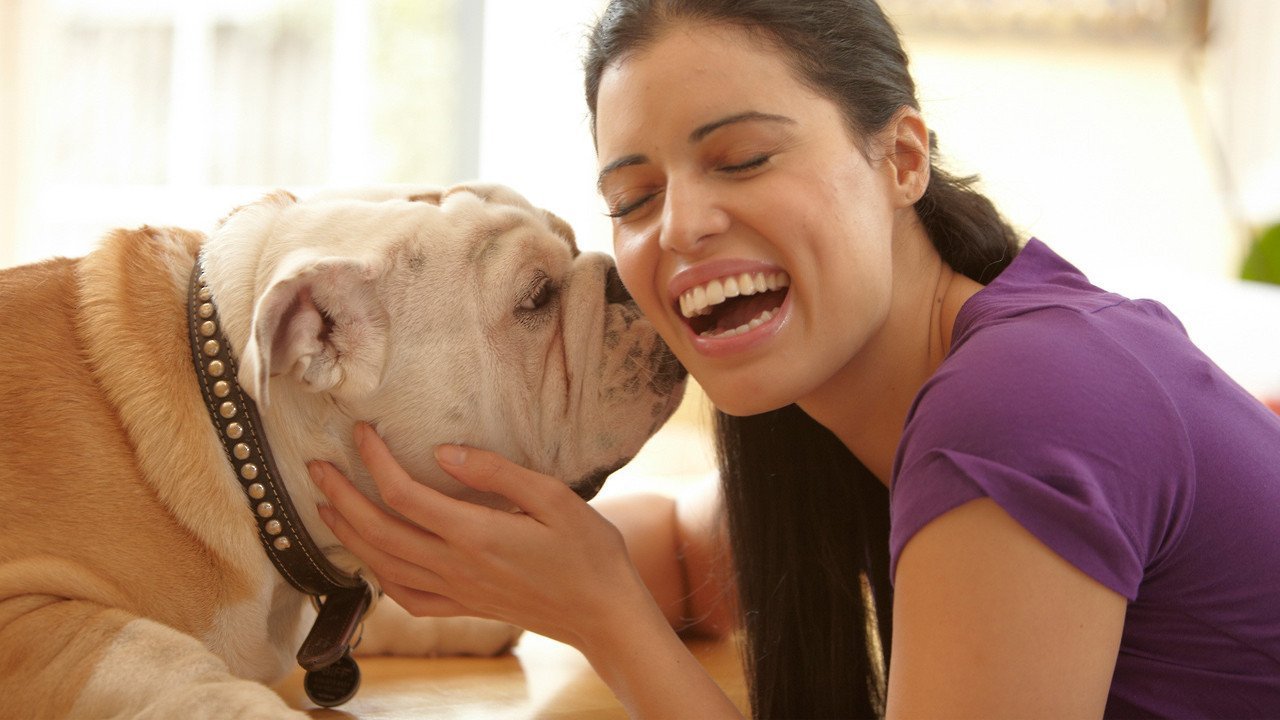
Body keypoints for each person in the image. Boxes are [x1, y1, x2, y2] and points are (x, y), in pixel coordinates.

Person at [308, 0, 1280, 717]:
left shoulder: (1015, 405)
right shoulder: (858, 394)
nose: (679, 226)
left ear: (900, 160)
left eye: (740, 159)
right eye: (634, 197)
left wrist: (605, 617)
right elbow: (690, 552)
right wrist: (397, 559)